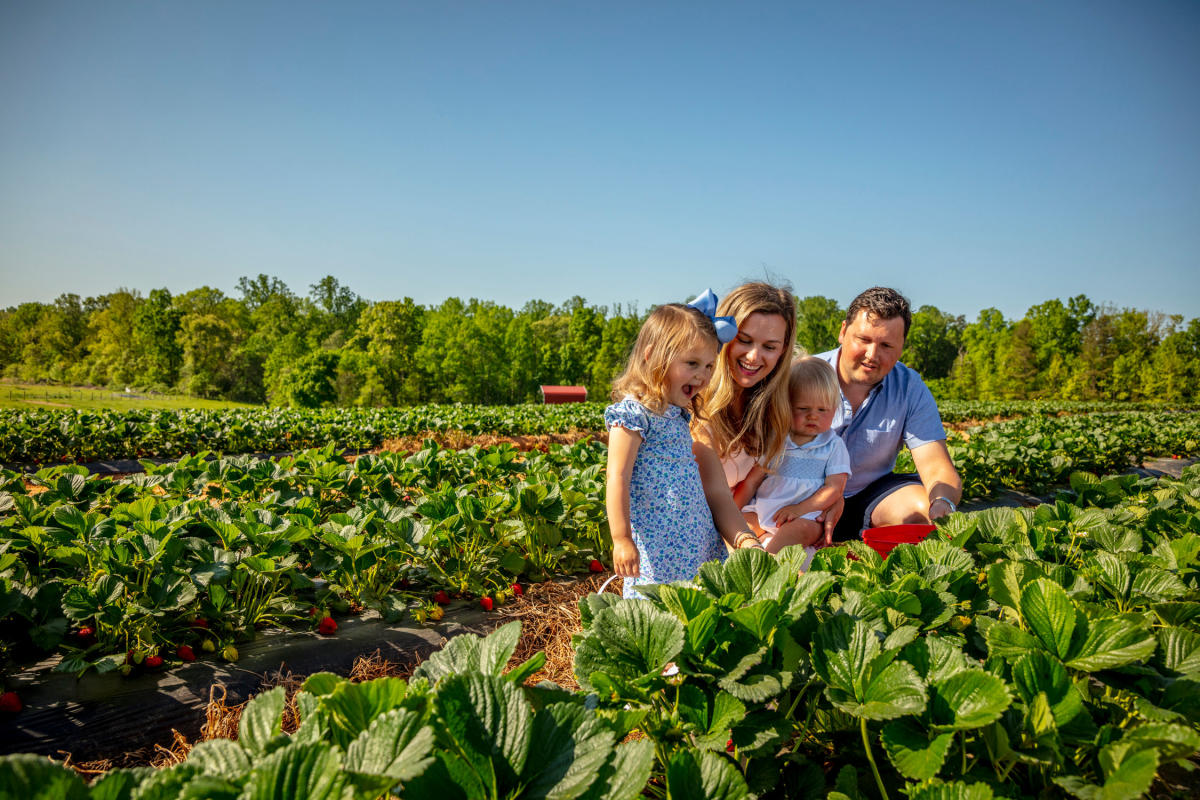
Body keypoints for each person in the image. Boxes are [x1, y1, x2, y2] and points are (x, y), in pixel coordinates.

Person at [605, 296, 767, 598]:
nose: (702, 375)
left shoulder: (679, 416)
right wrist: (621, 538)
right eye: (691, 363)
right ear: (652, 357)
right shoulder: (634, 415)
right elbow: (618, 477)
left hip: (696, 541)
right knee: (658, 610)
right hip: (659, 549)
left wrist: (745, 540)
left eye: (708, 365)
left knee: (701, 607)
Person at [816, 287, 963, 541]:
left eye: (886, 345)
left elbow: (936, 466)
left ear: (902, 347)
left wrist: (942, 503)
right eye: (863, 339)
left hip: (870, 494)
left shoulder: (909, 386)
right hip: (805, 496)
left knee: (922, 509)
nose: (872, 355)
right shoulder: (804, 375)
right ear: (842, 332)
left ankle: (880, 551)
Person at [693, 283, 821, 549]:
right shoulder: (691, 398)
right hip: (699, 534)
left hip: (746, 527)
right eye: (745, 340)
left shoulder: (780, 406)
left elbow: (818, 456)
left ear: (784, 349)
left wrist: (835, 496)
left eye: (769, 347)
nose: (754, 356)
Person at [738, 357, 851, 565]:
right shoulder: (777, 440)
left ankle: (768, 563)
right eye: (803, 409)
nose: (813, 416)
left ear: (834, 409)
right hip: (765, 510)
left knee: (800, 530)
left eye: (822, 410)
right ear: (786, 406)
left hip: (807, 515)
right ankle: (755, 552)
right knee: (741, 524)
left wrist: (799, 509)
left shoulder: (832, 446)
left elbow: (835, 488)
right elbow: (753, 481)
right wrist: (734, 509)